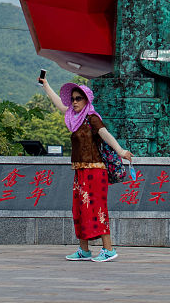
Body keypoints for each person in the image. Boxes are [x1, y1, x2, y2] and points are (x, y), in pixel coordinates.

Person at [39, 76, 133, 262]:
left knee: (97, 209)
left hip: (96, 172)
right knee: (80, 210)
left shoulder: (92, 118)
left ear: (86, 100)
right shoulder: (74, 118)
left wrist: (121, 151)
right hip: (80, 171)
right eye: (72, 99)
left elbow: (106, 135)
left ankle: (108, 249)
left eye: (78, 99)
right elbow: (59, 104)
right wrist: (46, 84)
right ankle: (84, 250)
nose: (74, 102)